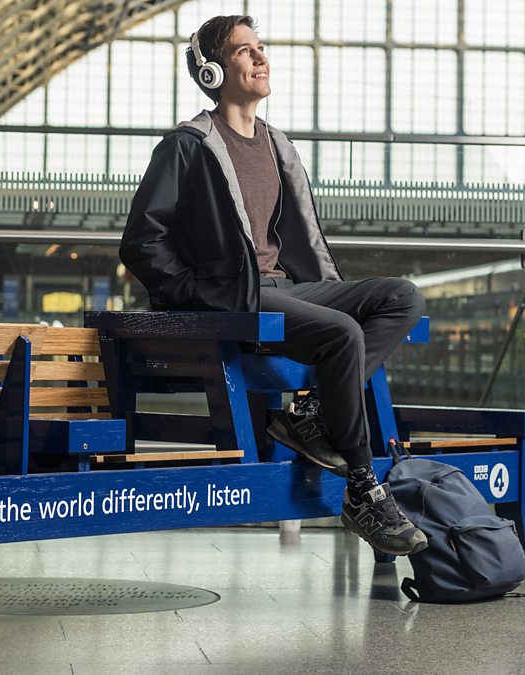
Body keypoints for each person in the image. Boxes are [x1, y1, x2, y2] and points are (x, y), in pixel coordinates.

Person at [118, 15, 428, 557]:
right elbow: (142, 242)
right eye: (245, 51)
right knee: (342, 334)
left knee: (403, 297)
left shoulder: (277, 145)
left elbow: (296, 238)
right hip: (234, 297)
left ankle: (310, 413)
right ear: (212, 72)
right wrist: (198, 291)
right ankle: (363, 489)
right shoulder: (187, 147)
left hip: (286, 290)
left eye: (260, 47)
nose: (261, 57)